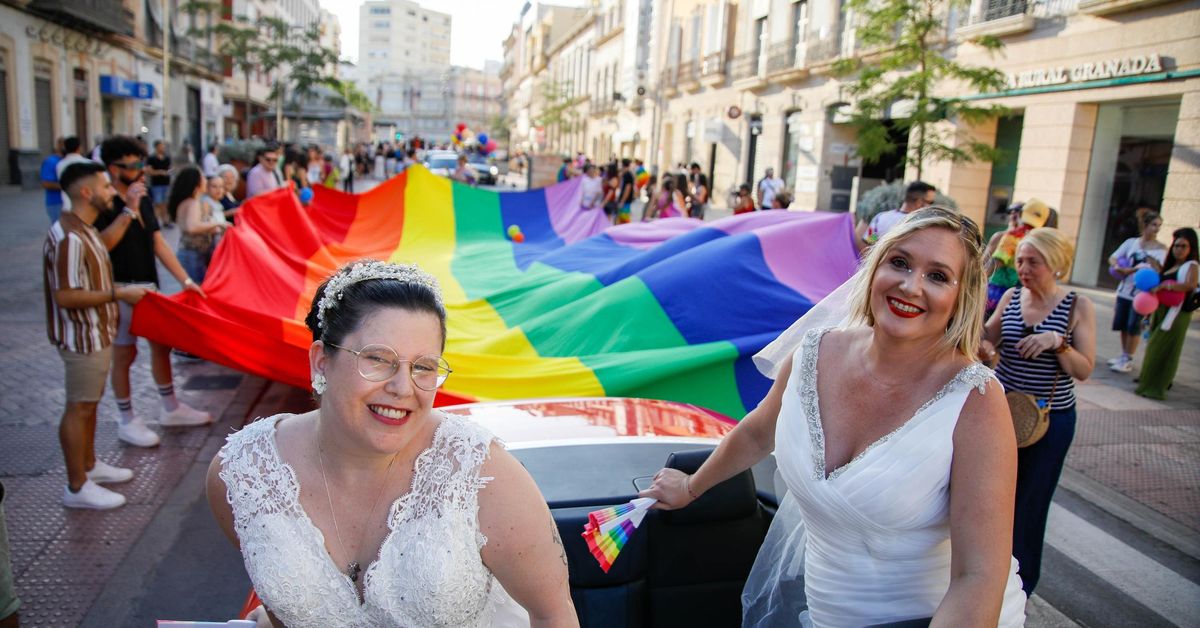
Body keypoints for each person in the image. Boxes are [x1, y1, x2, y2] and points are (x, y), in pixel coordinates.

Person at [644, 207, 1027, 626]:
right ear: (874, 267)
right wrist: (692, 487)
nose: (911, 285)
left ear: (961, 297)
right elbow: (758, 433)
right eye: (899, 262)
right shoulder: (813, 352)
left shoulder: (974, 399)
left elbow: (978, 576)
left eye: (937, 276)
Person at [207, 261, 578, 627]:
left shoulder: (481, 474)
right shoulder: (241, 475)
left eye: (423, 367)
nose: (403, 388)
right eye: (378, 360)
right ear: (322, 361)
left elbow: (553, 614)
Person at [981, 227, 1096, 596]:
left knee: (1030, 505)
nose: (1023, 269)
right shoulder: (1012, 296)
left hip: (1051, 421)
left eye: (1034, 262)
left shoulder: (1077, 305)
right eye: (1019, 261)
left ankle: (1019, 588)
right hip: (1003, 414)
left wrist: (1058, 342)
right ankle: (984, 573)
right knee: (991, 499)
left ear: (1057, 264)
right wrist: (984, 347)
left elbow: (1084, 370)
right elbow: (987, 337)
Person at [94, 136, 213, 449]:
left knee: (161, 345)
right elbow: (101, 245)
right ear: (111, 168)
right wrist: (129, 209)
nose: (135, 170)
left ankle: (170, 407)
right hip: (118, 289)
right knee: (125, 353)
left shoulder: (142, 197)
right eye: (128, 165)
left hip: (148, 285)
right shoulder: (103, 201)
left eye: (138, 164)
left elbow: (158, 242)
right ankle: (126, 419)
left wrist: (185, 280)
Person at [45, 162, 152, 509]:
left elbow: (100, 249)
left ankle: (89, 467)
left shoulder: (83, 229)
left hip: (94, 334)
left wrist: (128, 212)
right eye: (106, 187)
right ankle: (77, 487)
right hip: (81, 337)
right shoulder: (69, 237)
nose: (111, 192)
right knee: (79, 407)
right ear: (86, 192)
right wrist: (118, 295)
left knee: (88, 405)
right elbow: (65, 295)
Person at [1136, 228, 1198, 400]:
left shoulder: (1191, 265)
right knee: (1153, 347)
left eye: (1183, 246)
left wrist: (1165, 286)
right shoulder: (1172, 265)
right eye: (1176, 245)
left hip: (1176, 314)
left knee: (1162, 349)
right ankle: (1147, 381)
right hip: (1160, 310)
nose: (1178, 249)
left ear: (1191, 247)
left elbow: (1190, 285)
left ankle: (1156, 387)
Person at [1105, 211, 1167, 373]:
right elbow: (1113, 257)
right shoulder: (1131, 243)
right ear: (1145, 225)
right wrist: (1118, 267)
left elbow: (1162, 271)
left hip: (1143, 296)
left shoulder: (1161, 249)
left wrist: (1153, 263)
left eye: (1159, 225)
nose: (1157, 229)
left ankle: (1129, 358)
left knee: (1134, 325)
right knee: (1123, 324)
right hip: (1125, 290)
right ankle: (1124, 354)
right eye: (1154, 225)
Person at [984, 200, 1052, 320]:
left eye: (1018, 211)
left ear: (1022, 215)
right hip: (1030, 297)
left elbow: (994, 264)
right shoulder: (1045, 241)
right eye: (1011, 210)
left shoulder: (1012, 237)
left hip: (998, 296)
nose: (1014, 214)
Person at [172, 166, 225, 285]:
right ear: (197, 183)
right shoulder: (193, 203)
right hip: (193, 255)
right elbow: (192, 227)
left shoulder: (189, 202)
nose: (206, 180)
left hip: (192, 254)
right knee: (198, 290)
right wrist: (218, 223)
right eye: (203, 178)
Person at [855, 181, 937, 251]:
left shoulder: (880, 218)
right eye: (931, 202)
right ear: (919, 202)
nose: (931, 206)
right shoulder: (919, 224)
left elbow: (869, 243)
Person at [145, 141, 173, 223]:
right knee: (158, 203)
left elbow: (170, 168)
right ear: (156, 147)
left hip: (166, 183)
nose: (163, 148)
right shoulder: (151, 158)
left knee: (165, 203)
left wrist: (169, 172)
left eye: (163, 146)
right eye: (161, 146)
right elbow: (149, 171)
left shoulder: (167, 157)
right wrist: (160, 172)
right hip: (156, 184)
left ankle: (165, 221)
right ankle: (154, 222)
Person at [40, 137, 65, 224]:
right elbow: (45, 183)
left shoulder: (66, 160)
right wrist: (67, 186)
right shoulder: (51, 161)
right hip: (56, 203)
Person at [615, 158, 636, 225]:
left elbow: (628, 189)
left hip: (625, 201)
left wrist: (622, 201)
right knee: (621, 218)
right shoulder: (625, 174)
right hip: (624, 200)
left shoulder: (628, 175)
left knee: (624, 219)